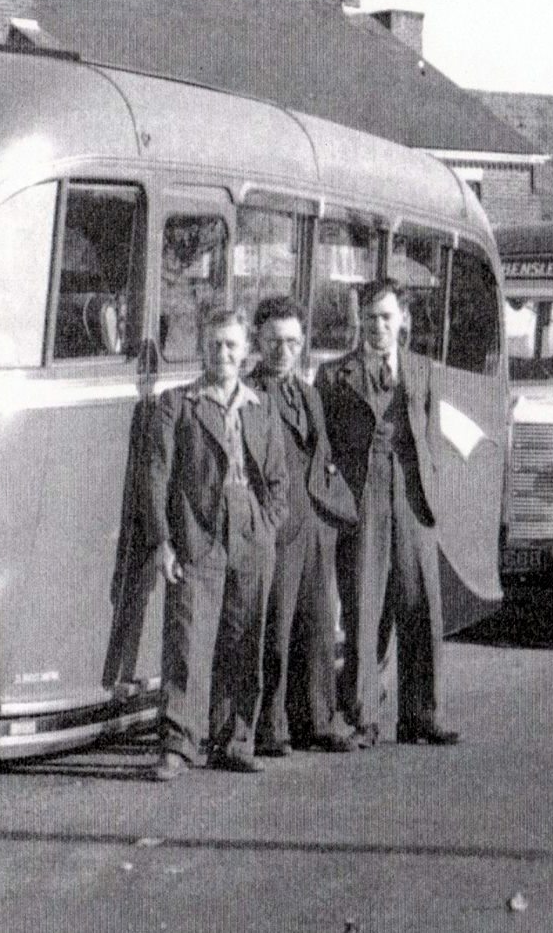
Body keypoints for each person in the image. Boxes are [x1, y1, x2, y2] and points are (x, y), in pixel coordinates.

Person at [141, 306, 291, 779]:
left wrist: (266, 525)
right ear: (201, 349)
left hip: (250, 528)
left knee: (243, 637)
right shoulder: (178, 403)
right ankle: (178, 745)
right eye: (214, 344)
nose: (222, 353)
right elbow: (156, 477)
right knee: (188, 637)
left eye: (231, 345)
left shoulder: (260, 406)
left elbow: (278, 479)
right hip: (197, 530)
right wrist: (163, 541)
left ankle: (234, 741)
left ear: (246, 352)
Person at [315, 279, 460, 747]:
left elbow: (431, 435)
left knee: (421, 604)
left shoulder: (422, 369)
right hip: (363, 497)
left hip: (413, 496)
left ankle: (422, 715)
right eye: (370, 317)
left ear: (403, 320)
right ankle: (362, 715)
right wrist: (337, 501)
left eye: (386, 317)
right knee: (364, 602)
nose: (378, 326)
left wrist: (430, 489)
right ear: (359, 321)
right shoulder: (333, 376)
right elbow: (323, 446)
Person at [248, 296, 361, 758]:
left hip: (314, 523)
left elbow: (322, 453)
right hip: (276, 523)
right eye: (274, 341)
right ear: (258, 341)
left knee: (317, 625)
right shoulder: (249, 393)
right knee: (275, 628)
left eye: (293, 342)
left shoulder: (309, 392)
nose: (284, 351)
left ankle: (318, 719)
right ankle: (270, 727)